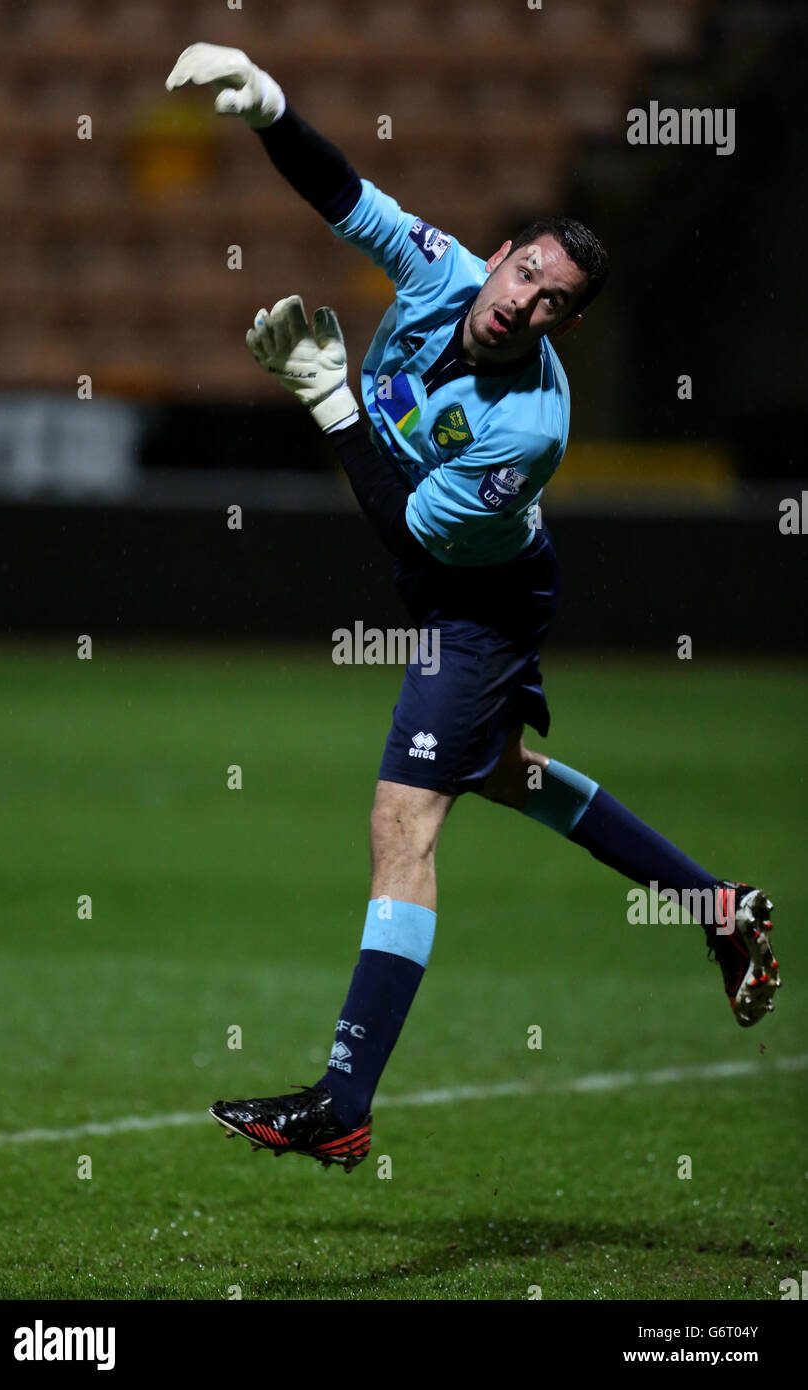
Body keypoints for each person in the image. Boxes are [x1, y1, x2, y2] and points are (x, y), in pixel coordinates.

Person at [165, 44, 781, 1173]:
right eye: (522, 272)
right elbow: (352, 201)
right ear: (496, 258)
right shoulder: (443, 272)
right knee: (501, 774)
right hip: (444, 574)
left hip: (479, 602)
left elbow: (414, 538)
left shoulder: (530, 429)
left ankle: (343, 1100)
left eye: (552, 299)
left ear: (565, 321)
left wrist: (331, 403)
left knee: (404, 819)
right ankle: (715, 902)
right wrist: (272, 111)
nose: (522, 299)